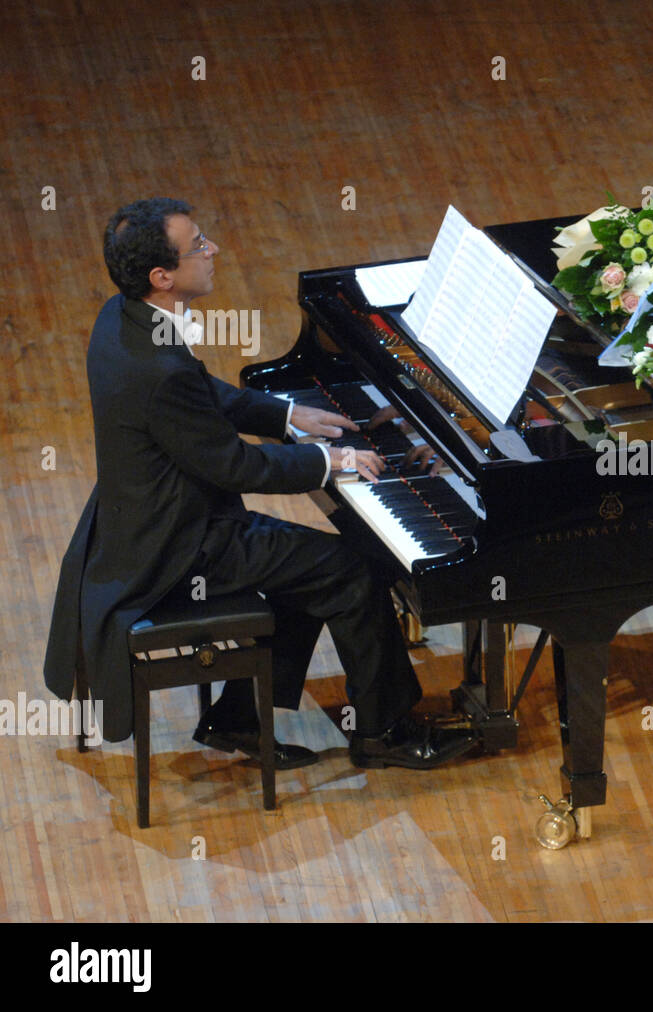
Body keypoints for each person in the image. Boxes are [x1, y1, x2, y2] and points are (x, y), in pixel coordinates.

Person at [43, 197, 474, 770]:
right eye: (198, 244)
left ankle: (239, 719)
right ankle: (384, 733)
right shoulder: (158, 368)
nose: (212, 248)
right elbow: (238, 468)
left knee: (313, 570)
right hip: (182, 546)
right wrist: (332, 460)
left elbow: (202, 395)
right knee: (350, 571)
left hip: (149, 522)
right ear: (162, 276)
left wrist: (288, 416)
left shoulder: (123, 319)